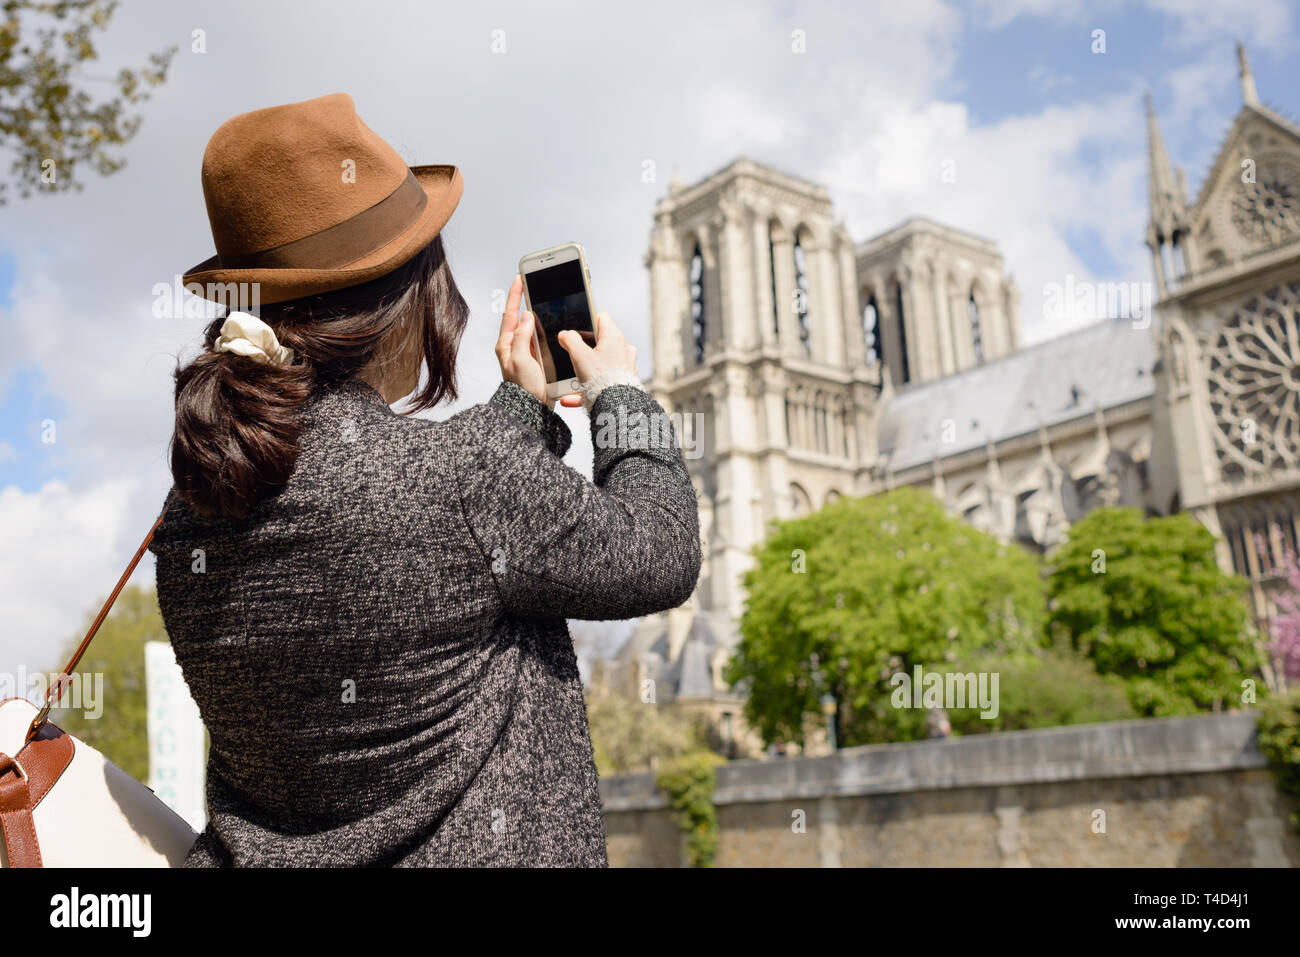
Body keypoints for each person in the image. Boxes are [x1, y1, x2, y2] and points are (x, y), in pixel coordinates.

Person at [149, 93, 701, 866]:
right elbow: (662, 548)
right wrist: (619, 393)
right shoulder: (468, 477)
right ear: (406, 298)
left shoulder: (187, 514)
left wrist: (520, 415)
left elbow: (427, 549)